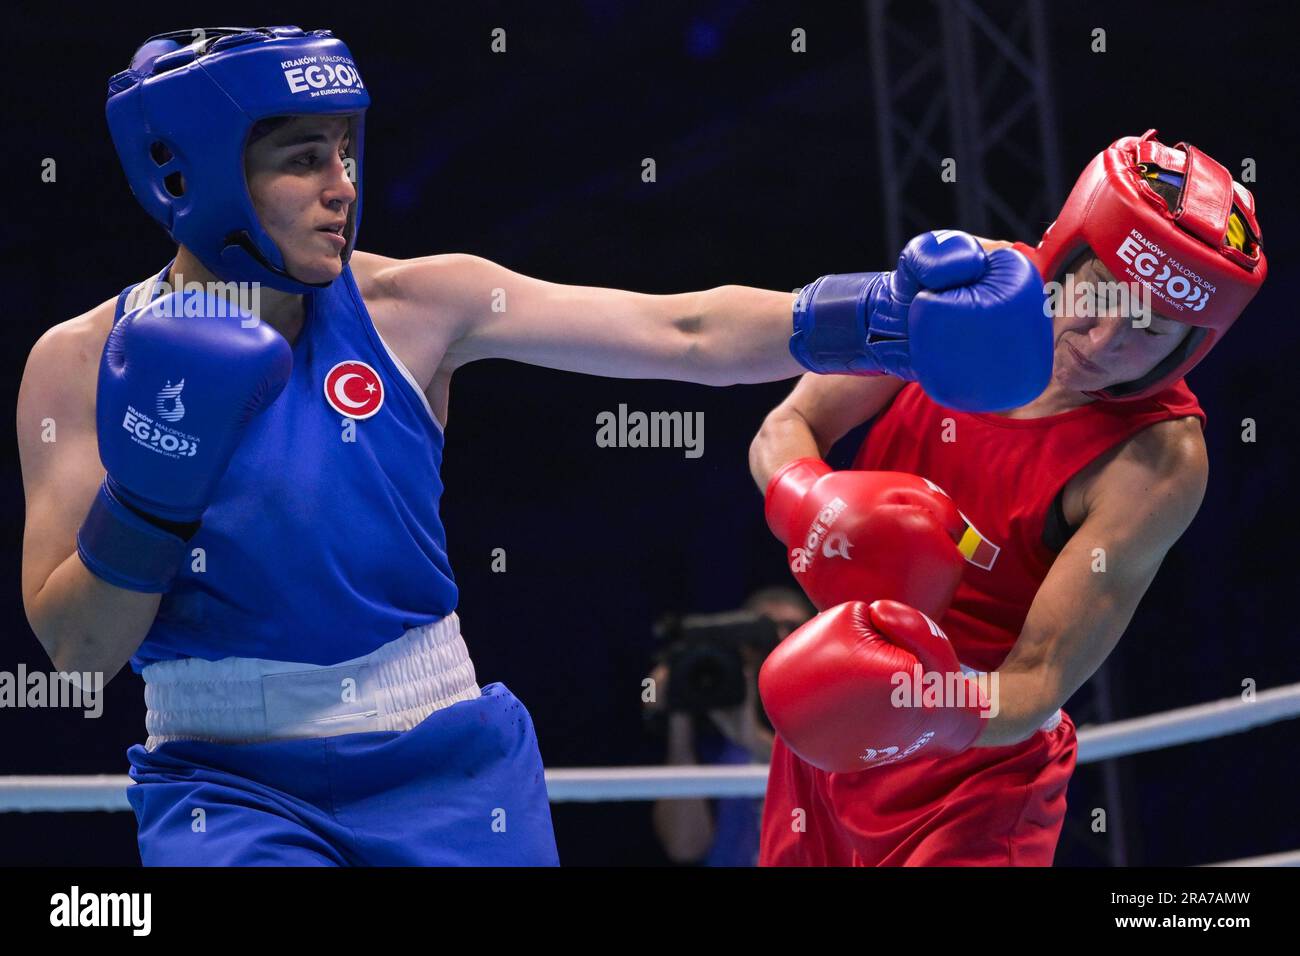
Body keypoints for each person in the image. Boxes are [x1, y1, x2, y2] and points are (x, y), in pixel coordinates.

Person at [16, 26, 1047, 866]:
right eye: (301, 158)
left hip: (445, 759)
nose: (342, 185)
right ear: (189, 173)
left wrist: (881, 319)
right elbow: (81, 649)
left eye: (346, 149)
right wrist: (154, 491)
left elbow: (678, 332)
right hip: (223, 782)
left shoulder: (418, 302)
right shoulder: (77, 365)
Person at [751, 130, 1266, 866]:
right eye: (1102, 293)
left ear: (1191, 347)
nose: (1104, 337)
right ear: (1066, 255)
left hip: (975, 775)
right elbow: (789, 425)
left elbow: (1038, 680)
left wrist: (919, 705)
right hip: (831, 715)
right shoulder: (972, 292)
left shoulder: (1156, 458)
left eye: (1150, 329)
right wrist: (811, 501)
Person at [647, 588, 812, 866]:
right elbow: (684, 848)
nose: (781, 640)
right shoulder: (707, 731)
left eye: (794, 629)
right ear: (745, 641)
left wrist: (752, 740)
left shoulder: (828, 720)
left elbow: (832, 795)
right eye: (768, 631)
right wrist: (679, 715)